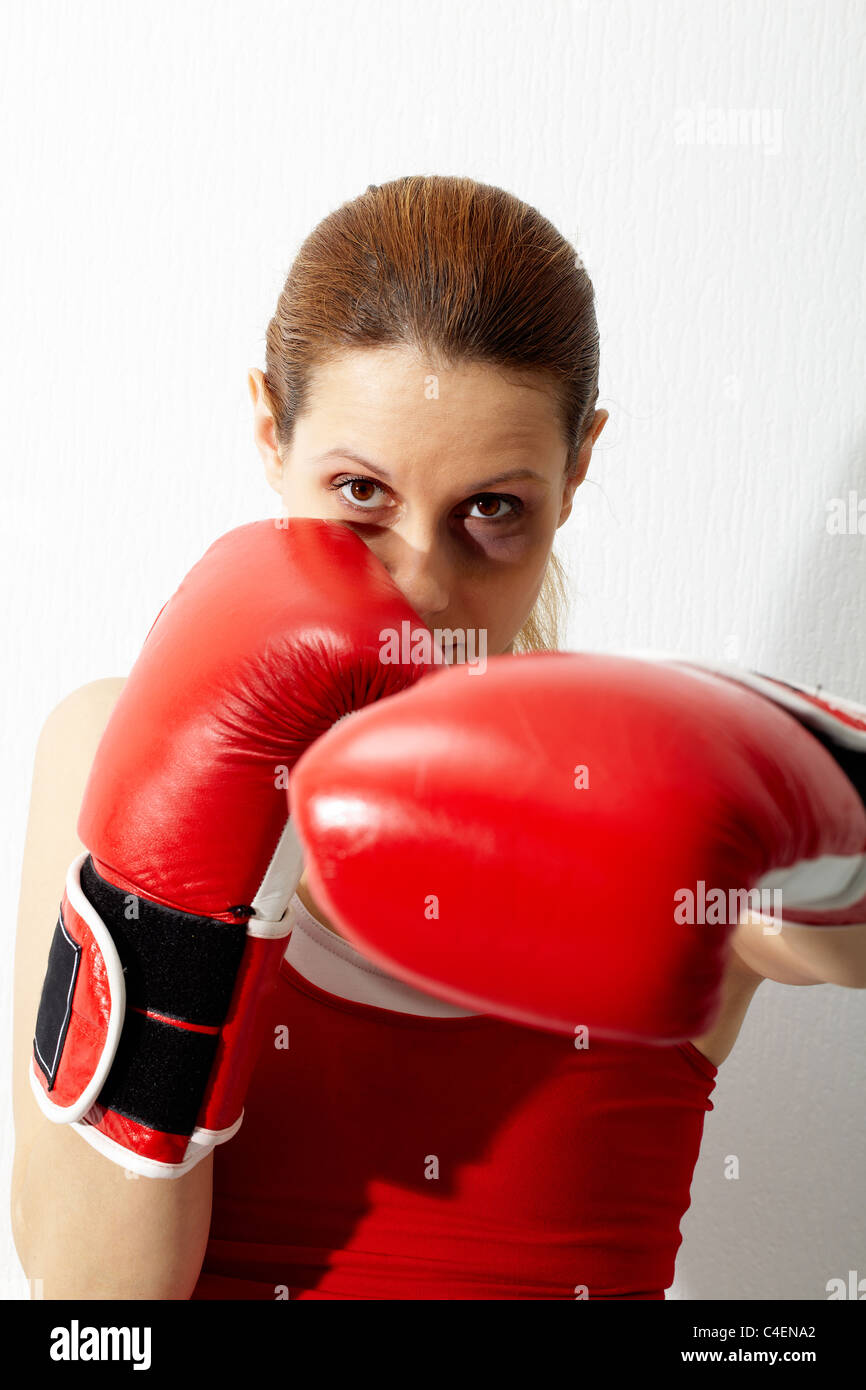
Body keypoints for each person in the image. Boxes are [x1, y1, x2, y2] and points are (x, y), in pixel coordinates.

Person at [11, 176, 860, 1301]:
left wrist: (802, 783)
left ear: (576, 471)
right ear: (270, 430)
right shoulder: (104, 742)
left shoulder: (643, 789)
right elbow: (98, 1310)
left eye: (491, 509)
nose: (418, 583)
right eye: (359, 491)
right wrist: (186, 877)